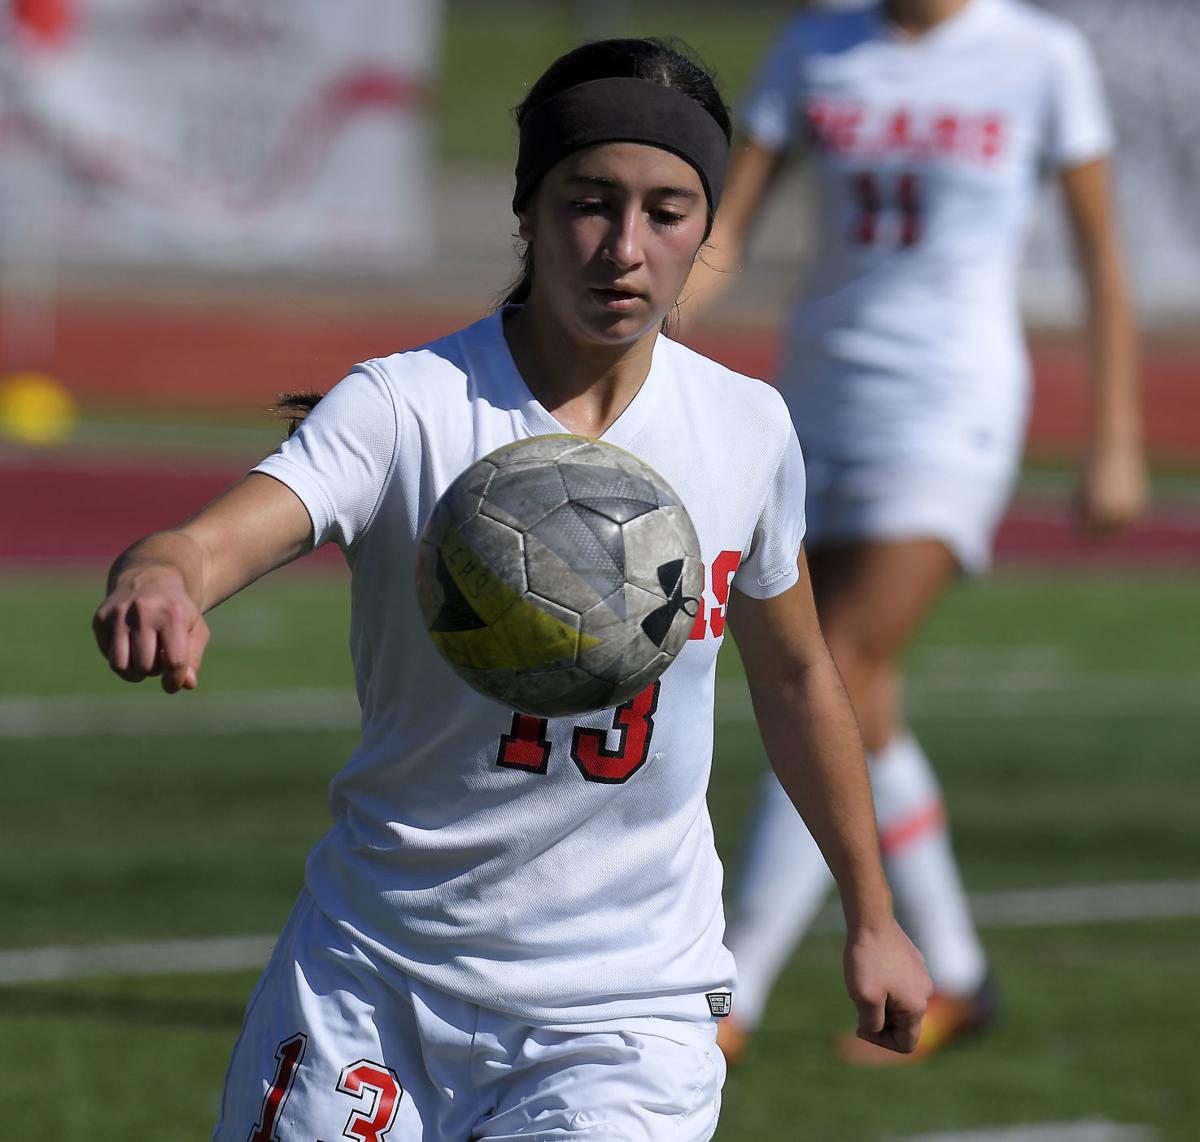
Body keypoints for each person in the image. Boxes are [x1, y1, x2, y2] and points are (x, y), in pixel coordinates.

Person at [92, 38, 930, 1140]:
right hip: (375, 977)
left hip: (627, 1014)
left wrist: (874, 913)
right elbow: (205, 545)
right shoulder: (406, 406)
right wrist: (161, 577)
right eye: (589, 202)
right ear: (527, 209)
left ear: (707, 229)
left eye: (668, 212)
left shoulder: (746, 428)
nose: (624, 248)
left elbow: (797, 674)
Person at [682, 0, 1147, 1067]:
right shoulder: (818, 43)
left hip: (952, 406)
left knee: (836, 668)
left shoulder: (1041, 55)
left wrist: (1116, 435)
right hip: (818, 396)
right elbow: (724, 232)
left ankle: (730, 994)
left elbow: (1101, 256)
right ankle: (963, 981)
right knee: (866, 698)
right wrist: (629, 334)